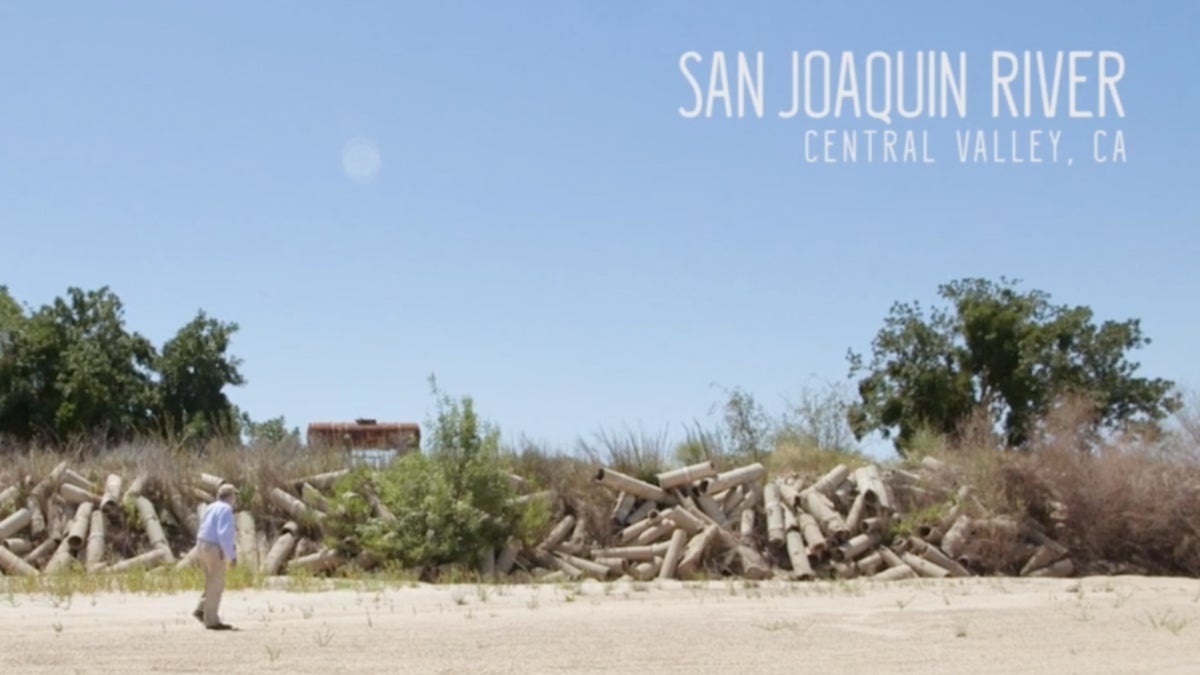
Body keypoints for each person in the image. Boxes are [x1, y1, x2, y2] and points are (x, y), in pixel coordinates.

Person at [192, 483, 238, 630]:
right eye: (234, 495)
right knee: (216, 583)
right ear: (230, 496)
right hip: (213, 547)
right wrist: (232, 555)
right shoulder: (226, 509)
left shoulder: (211, 507)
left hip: (201, 544)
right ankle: (211, 620)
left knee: (209, 579)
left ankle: (201, 608)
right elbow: (224, 534)